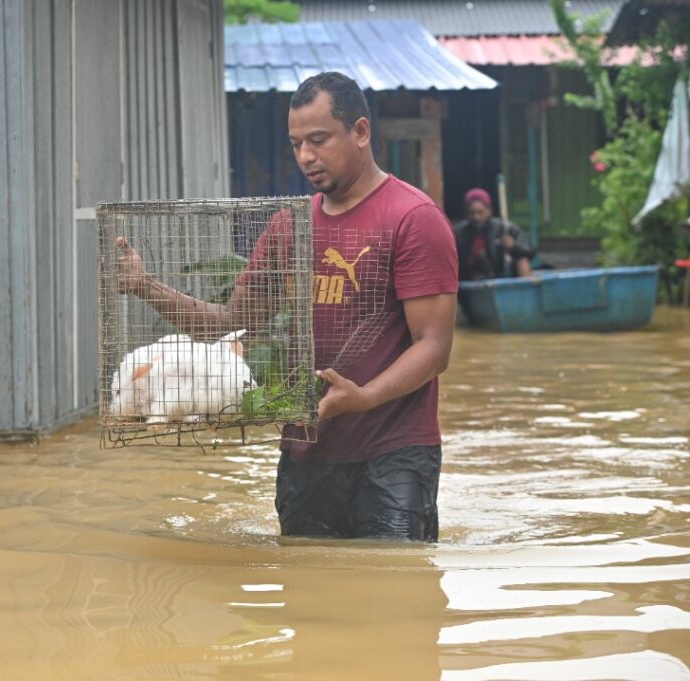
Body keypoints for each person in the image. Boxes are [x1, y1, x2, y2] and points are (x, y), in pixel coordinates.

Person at [115, 71, 458, 542]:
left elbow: (434, 347)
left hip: (394, 453)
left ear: (360, 132)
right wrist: (145, 286)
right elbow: (234, 325)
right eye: (296, 144)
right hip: (306, 453)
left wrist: (365, 396)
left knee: (394, 590)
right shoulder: (287, 227)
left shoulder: (413, 219)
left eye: (318, 140)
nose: (305, 157)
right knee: (307, 598)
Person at [453, 188, 536, 280]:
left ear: (489, 211)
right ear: (466, 213)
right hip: (471, 281)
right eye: (472, 213)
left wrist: (513, 247)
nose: (476, 217)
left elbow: (530, 251)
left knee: (522, 261)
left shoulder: (505, 228)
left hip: (503, 278)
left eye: (480, 212)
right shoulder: (459, 233)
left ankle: (524, 294)